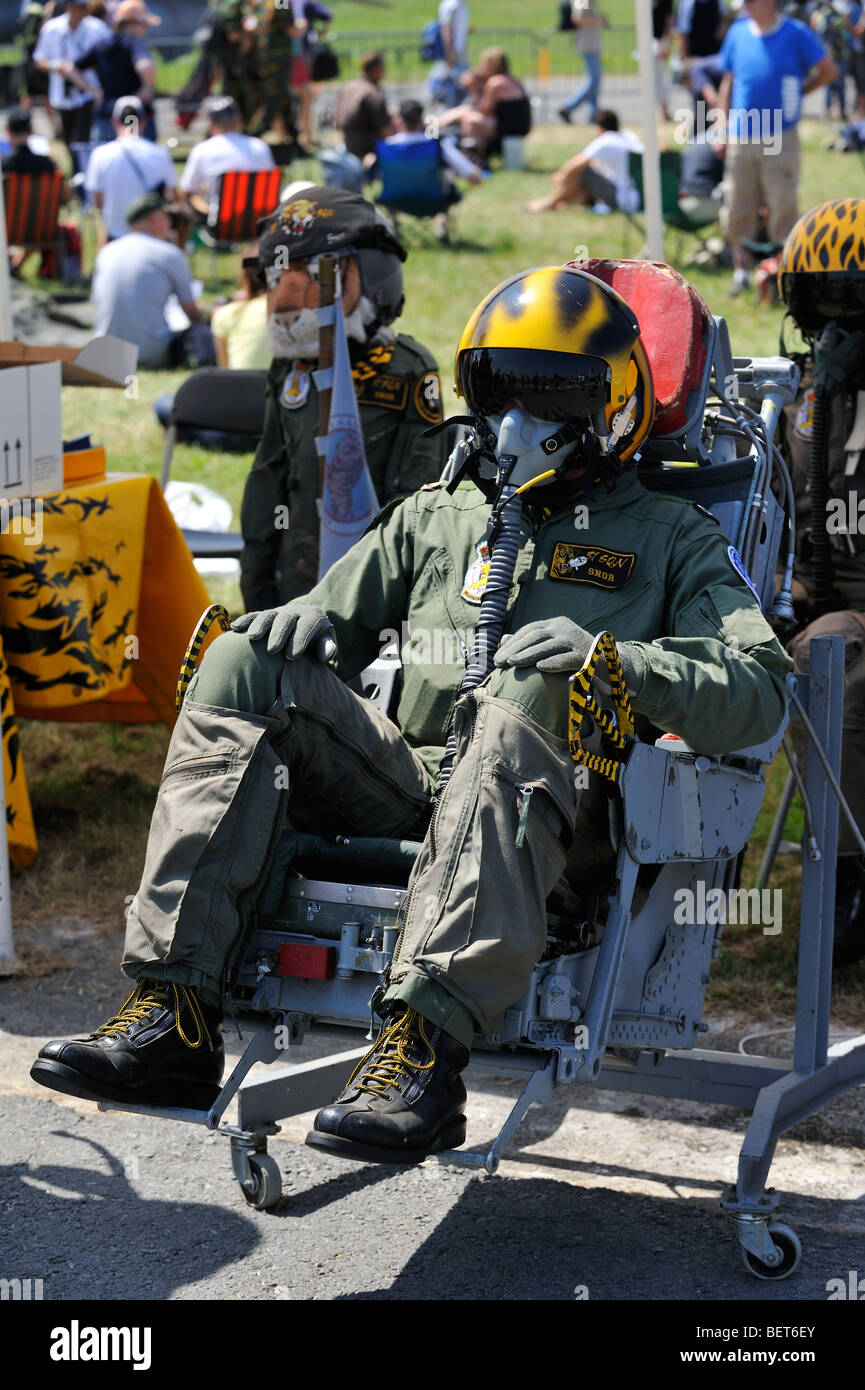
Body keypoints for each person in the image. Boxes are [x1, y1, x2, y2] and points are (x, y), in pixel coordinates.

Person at [29, 263, 791, 1163]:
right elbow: (333, 627)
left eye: (548, 397)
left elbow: (760, 686)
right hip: (416, 786)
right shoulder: (436, 517)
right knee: (246, 659)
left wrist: (619, 664)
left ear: (610, 410)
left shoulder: (671, 535)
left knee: (528, 680)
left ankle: (422, 1053)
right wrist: (310, 620)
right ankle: (174, 1014)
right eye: (500, 392)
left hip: (569, 815)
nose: (516, 421)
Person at [239, 186, 445, 608]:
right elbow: (268, 475)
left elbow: (416, 496)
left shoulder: (408, 369)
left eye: (316, 274)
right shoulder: (289, 372)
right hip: (295, 578)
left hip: (374, 586)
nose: (286, 298)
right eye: (278, 276)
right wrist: (255, 573)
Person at [777, 198, 865, 967]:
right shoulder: (798, 395)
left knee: (833, 662)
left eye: (852, 299)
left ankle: (842, 877)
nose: (835, 320)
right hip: (814, 600)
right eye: (820, 298)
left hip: (849, 619)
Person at [717, 0, 836, 296]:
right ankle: (741, 270)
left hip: (779, 134)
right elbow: (728, 82)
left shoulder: (795, 33)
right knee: (737, 204)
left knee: (782, 205)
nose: (744, 5)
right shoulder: (738, 32)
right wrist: (721, 127)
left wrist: (799, 93)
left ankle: (781, 273)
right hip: (742, 133)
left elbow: (828, 70)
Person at [153, 246, 270, 451]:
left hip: (237, 420)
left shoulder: (227, 315)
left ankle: (186, 432)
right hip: (281, 414)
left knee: (164, 404)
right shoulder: (299, 314)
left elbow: (227, 372)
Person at [91, 191, 214, 368]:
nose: (170, 222)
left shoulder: (106, 252)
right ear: (154, 220)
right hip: (150, 353)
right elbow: (192, 314)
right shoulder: (170, 254)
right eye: (166, 216)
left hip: (105, 354)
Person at [386, 97, 482, 240]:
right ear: (421, 119)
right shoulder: (437, 145)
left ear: (399, 120)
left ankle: (394, 225)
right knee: (446, 178)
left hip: (396, 200)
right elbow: (471, 174)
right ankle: (441, 225)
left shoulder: (387, 147)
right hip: (434, 201)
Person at [84, 96, 177, 242]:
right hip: (153, 237)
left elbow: (98, 203)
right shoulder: (160, 154)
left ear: (114, 122)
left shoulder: (100, 155)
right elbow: (172, 195)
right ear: (144, 121)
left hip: (115, 237)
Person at [69, 0, 160, 143]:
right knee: (138, 157)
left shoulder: (102, 45)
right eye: (144, 25)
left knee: (105, 159)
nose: (145, 29)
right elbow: (145, 66)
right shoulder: (134, 43)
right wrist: (147, 89)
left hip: (107, 113)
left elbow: (71, 68)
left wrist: (93, 91)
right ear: (134, 23)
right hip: (132, 116)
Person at [526, 109, 642, 214]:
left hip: (620, 199)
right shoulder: (629, 136)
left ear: (600, 128)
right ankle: (560, 204)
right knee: (588, 178)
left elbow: (577, 163)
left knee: (583, 171)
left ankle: (550, 203)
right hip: (637, 197)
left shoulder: (607, 140)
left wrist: (562, 175)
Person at [32, 0, 110, 146]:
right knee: (68, 139)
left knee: (83, 137)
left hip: (89, 90)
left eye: (85, 7)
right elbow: (39, 59)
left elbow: (109, 54)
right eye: (79, 7)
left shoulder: (97, 28)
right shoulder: (51, 28)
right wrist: (57, 66)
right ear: (68, 7)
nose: (83, 11)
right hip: (62, 92)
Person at [437, 47, 531, 159]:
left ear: (492, 65)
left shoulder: (495, 82)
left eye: (483, 64)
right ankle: (434, 126)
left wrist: (473, 89)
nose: (480, 68)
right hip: (513, 124)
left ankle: (474, 157)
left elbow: (484, 110)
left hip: (512, 126)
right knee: (465, 111)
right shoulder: (507, 79)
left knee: (471, 120)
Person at [179, 94, 275, 204]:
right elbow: (270, 185)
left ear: (212, 126)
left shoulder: (202, 150)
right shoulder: (260, 146)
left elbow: (187, 190)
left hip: (218, 218)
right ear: (240, 123)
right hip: (258, 214)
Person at [335, 50, 394, 163]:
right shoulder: (373, 93)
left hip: (347, 142)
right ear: (378, 70)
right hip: (366, 148)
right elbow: (384, 130)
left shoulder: (348, 86)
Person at [559, 0, 609, 125]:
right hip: (587, 42)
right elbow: (578, 18)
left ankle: (593, 115)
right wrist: (599, 21)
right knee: (594, 80)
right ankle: (568, 107)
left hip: (590, 41)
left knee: (594, 82)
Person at [654, 0, 675, 119]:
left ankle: (664, 110)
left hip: (660, 41)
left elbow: (669, 19)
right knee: (651, 78)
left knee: (659, 78)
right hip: (648, 40)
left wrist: (666, 42)